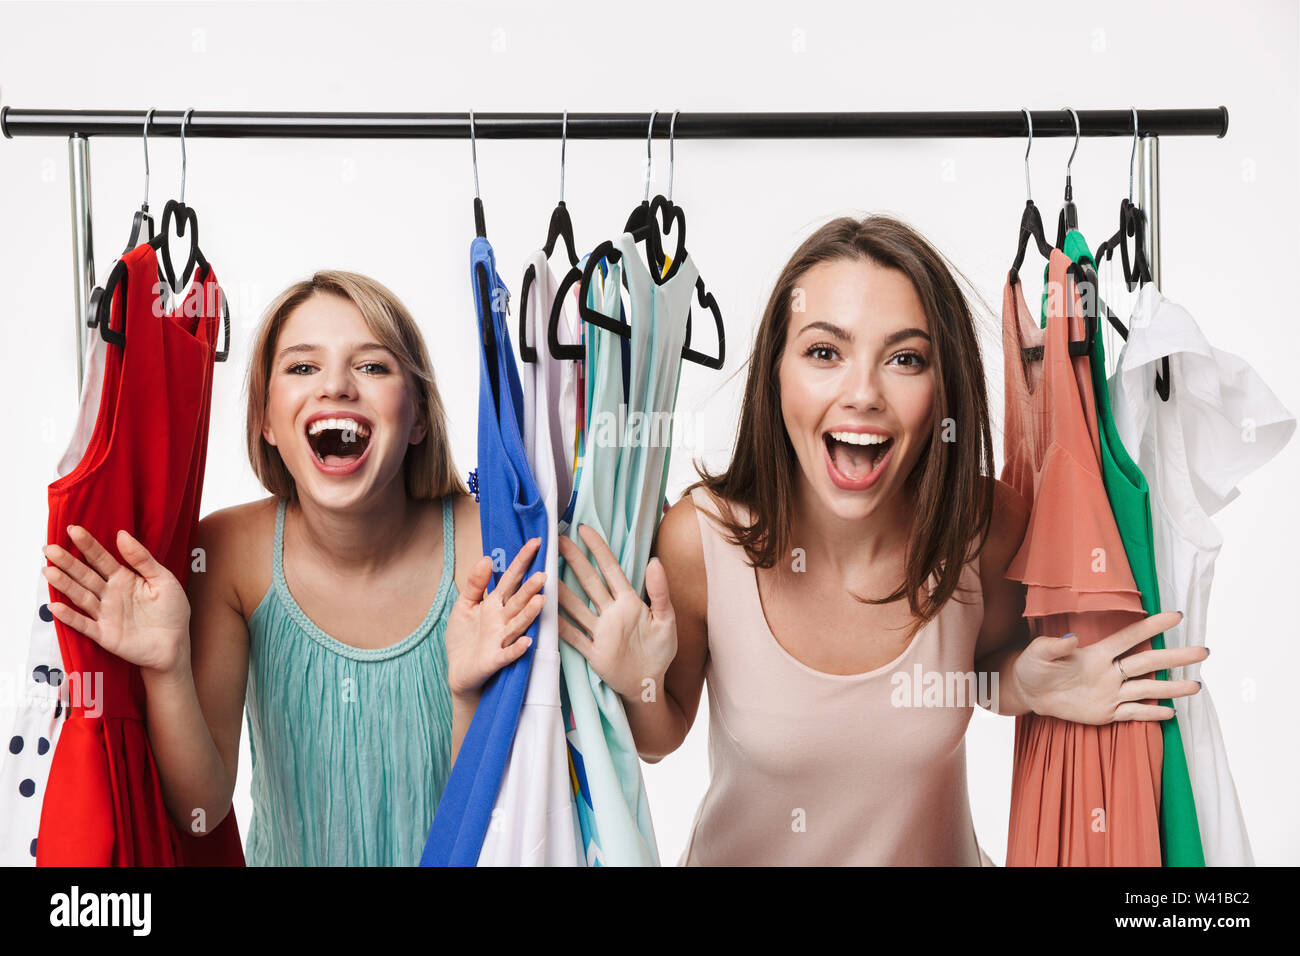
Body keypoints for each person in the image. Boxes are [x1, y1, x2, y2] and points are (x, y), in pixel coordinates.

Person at [553, 216, 1207, 865]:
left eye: (904, 359)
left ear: (943, 387)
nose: (863, 393)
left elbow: (974, 674)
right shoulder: (702, 541)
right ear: (775, 375)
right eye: (823, 352)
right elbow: (660, 737)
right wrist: (638, 680)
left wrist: (1029, 687)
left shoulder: (983, 528)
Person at [40, 270, 543, 866]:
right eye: (302, 367)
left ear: (418, 420)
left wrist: (467, 696)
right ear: (267, 421)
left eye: (374, 367)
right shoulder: (229, 552)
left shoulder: (490, 546)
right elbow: (201, 809)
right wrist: (167, 667)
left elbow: (504, 817)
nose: (335, 386)